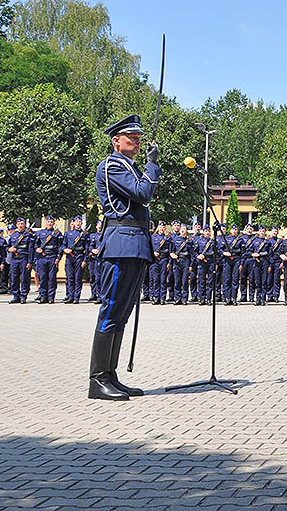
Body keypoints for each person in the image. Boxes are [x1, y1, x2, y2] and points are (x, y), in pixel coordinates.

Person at [89, 113, 160, 400]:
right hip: (121, 244)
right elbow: (142, 194)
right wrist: (152, 166)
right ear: (116, 141)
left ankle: (110, 376)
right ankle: (97, 380)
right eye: (132, 138)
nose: (138, 142)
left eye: (139, 138)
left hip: (136, 244)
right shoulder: (112, 165)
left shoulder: (130, 167)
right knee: (111, 310)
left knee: (122, 314)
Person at [32, 216, 63, 304]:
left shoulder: (57, 233)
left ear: (54, 223)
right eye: (48, 222)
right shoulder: (39, 233)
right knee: (42, 277)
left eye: (51, 222)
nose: (49, 223)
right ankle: (43, 297)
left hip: (52, 257)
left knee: (52, 278)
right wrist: (37, 249)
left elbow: (60, 246)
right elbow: (35, 244)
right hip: (42, 258)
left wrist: (58, 258)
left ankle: (51, 297)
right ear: (45, 222)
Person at [7, 217, 35, 303]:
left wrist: (30, 262)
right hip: (14, 259)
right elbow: (7, 247)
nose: (20, 225)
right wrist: (9, 249)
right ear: (16, 225)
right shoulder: (13, 235)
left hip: (24, 259)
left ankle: (23, 296)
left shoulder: (29, 236)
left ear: (25, 225)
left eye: (22, 224)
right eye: (19, 224)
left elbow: (31, 250)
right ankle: (16, 296)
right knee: (14, 278)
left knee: (24, 279)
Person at [62, 216, 90, 304]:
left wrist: (85, 260)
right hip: (70, 257)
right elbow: (63, 245)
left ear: (82, 223)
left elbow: (87, 248)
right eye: (76, 221)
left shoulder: (85, 234)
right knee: (70, 277)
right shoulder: (67, 233)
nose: (78, 223)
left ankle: (76, 297)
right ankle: (70, 296)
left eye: (80, 221)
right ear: (73, 223)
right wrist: (65, 249)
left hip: (79, 256)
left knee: (78, 278)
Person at [221, 224, 244, 305]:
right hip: (227, 260)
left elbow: (243, 252)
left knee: (235, 280)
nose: (234, 231)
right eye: (233, 229)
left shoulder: (240, 240)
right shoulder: (226, 239)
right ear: (230, 230)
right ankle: (227, 298)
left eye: (236, 229)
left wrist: (241, 263)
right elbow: (220, 249)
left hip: (236, 259)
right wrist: (224, 253)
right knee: (227, 280)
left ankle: (234, 298)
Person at [149, 222, 171, 305]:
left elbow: (170, 251)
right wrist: (153, 253)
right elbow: (149, 248)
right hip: (155, 261)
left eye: (163, 227)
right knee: (156, 280)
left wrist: (169, 262)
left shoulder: (167, 239)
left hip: (164, 260)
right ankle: (156, 297)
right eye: (160, 227)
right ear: (158, 228)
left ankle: (162, 298)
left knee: (163, 280)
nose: (162, 228)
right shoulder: (152, 237)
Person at [193, 225, 214, 305]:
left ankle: (208, 298)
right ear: (203, 232)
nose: (207, 232)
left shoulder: (213, 241)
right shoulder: (199, 241)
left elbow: (217, 252)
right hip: (202, 262)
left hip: (211, 262)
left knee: (210, 281)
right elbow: (195, 251)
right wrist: (198, 256)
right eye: (206, 231)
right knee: (201, 280)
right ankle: (202, 298)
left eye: (208, 231)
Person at [87, 220, 103, 303]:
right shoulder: (92, 236)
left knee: (100, 278)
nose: (100, 226)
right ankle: (94, 293)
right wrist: (92, 250)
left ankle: (100, 296)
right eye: (98, 225)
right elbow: (89, 246)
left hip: (102, 258)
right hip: (94, 258)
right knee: (93, 277)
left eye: (101, 225)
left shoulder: (105, 235)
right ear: (96, 226)